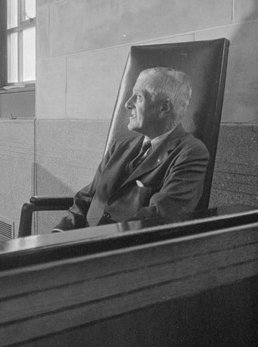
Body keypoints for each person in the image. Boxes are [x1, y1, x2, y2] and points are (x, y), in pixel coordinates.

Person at [53, 67, 209, 231]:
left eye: (139, 97)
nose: (128, 104)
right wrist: (59, 234)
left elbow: (160, 214)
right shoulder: (120, 147)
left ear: (164, 107)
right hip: (85, 240)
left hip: (123, 246)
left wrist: (97, 240)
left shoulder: (190, 153)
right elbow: (87, 197)